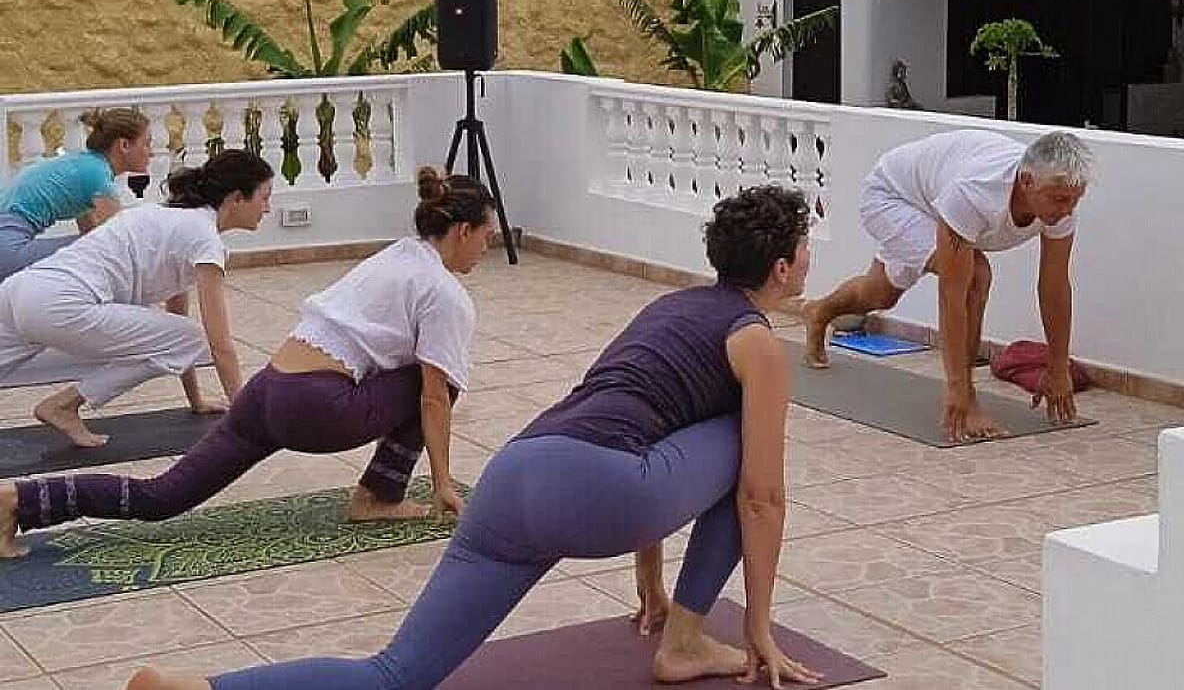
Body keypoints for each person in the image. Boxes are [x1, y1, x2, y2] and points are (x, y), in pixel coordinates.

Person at [122, 183, 824, 690]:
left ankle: (200, 688)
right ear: (782, 268)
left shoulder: (672, 307)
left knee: (397, 673)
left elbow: (643, 416)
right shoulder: (757, 342)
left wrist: (651, 583)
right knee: (744, 443)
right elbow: (760, 497)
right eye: (804, 246)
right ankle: (686, 642)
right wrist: (758, 626)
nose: (807, 255)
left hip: (516, 474)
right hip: (601, 490)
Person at [0, 166, 494, 557]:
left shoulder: (397, 254)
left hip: (268, 390)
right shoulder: (445, 294)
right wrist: (443, 483)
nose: (487, 247)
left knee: (162, 497)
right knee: (442, 378)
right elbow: (433, 397)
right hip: (316, 407)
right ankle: (378, 496)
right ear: (462, 231)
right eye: (486, 236)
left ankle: (21, 501)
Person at [800, 129, 1095, 442]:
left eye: (1074, 200)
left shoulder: (1060, 203)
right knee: (975, 277)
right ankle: (968, 398)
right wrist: (959, 390)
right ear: (1027, 182)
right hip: (891, 197)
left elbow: (1054, 287)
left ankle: (819, 312)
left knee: (881, 293)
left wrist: (1058, 367)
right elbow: (952, 296)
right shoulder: (975, 192)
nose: (1067, 210)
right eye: (1059, 200)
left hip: (932, 196)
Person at [0, 148, 274, 448]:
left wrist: (195, 400)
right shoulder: (205, 240)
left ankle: (65, 405)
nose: (268, 208)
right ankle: (64, 405)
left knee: (183, 337)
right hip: (60, 303)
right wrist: (245, 418)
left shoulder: (167, 217)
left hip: (19, 291)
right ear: (236, 198)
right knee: (192, 337)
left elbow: (176, 327)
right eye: (264, 197)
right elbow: (218, 344)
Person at [0, 108, 152, 282]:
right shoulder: (96, 174)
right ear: (124, 145)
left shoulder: (84, 164)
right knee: (108, 249)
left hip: (7, 247)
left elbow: (91, 232)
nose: (151, 152)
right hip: (7, 253)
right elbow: (121, 238)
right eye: (147, 144)